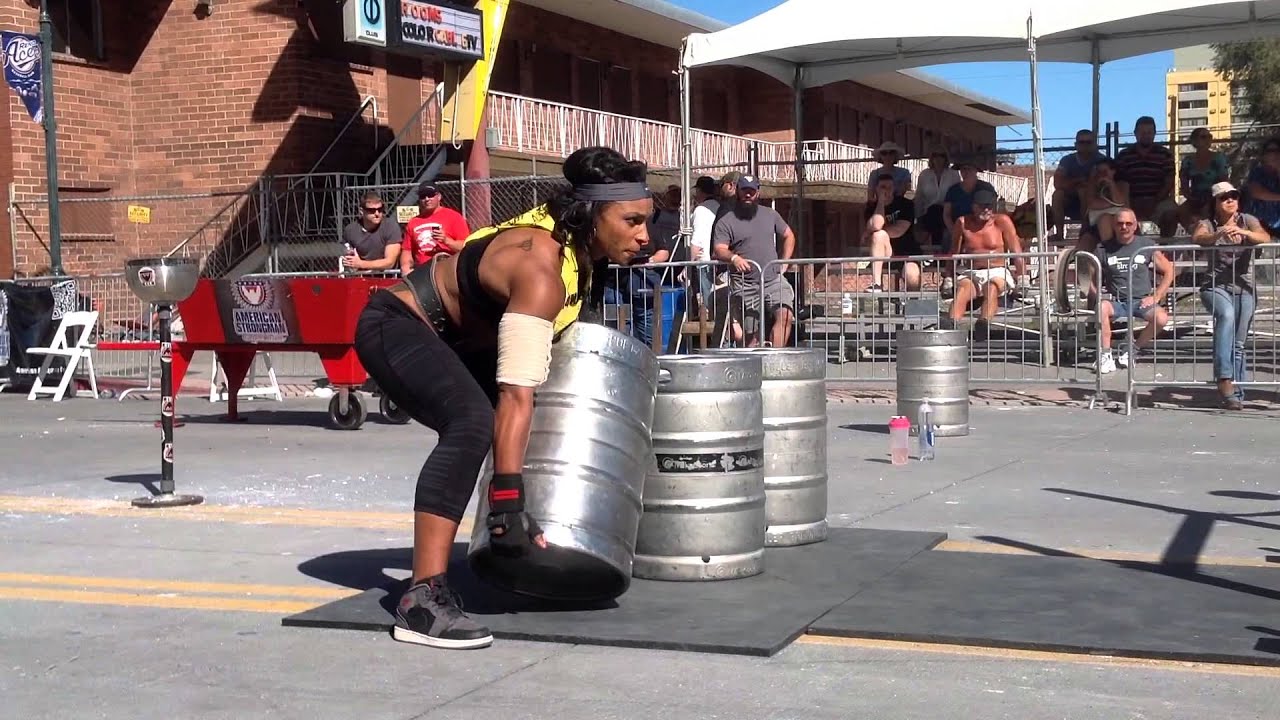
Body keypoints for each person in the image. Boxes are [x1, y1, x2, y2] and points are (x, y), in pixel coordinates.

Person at [353, 146, 652, 650]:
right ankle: (420, 601)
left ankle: (510, 531)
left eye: (649, 221)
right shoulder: (540, 270)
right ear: (591, 215)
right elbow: (515, 394)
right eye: (632, 220)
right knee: (472, 422)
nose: (645, 235)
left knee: (523, 420)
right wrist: (508, 499)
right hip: (397, 324)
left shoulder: (579, 251)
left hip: (456, 338)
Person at [1191, 182, 1272, 410]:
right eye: (1224, 197)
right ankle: (1224, 378)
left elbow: (1264, 237)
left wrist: (1243, 232)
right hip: (1214, 285)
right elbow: (1197, 237)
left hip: (1244, 287)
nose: (1230, 200)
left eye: (1234, 196)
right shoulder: (1207, 223)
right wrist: (1219, 234)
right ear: (1215, 202)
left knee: (1239, 343)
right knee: (1225, 315)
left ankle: (1236, 392)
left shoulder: (1247, 220)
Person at [713, 174, 797, 347]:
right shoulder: (726, 221)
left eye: (752, 191)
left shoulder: (770, 214)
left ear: (758, 192)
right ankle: (754, 367)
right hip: (745, 284)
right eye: (745, 191)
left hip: (773, 280)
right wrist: (734, 258)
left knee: (785, 315)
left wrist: (784, 262)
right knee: (752, 338)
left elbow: (789, 235)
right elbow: (719, 249)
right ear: (737, 191)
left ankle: (774, 361)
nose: (748, 195)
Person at [1092, 208, 1173, 374]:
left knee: (1162, 318)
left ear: (1135, 225)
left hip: (1141, 300)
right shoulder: (1102, 248)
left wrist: (1156, 296)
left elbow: (1169, 270)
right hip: (1116, 300)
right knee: (1101, 308)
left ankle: (1132, 350)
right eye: (1120, 223)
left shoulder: (1146, 245)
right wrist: (1097, 294)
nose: (1124, 227)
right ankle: (1105, 356)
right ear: (1114, 226)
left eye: (1128, 223)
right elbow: (1089, 277)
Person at [945, 188, 1027, 329]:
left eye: (989, 206)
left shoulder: (1002, 221)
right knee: (962, 290)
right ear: (974, 206)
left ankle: (983, 324)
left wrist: (1022, 277)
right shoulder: (963, 223)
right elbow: (954, 252)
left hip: (997, 271)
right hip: (972, 271)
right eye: (982, 206)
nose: (987, 210)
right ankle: (950, 326)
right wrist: (948, 278)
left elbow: (1016, 251)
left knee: (991, 287)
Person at [863, 173, 920, 292]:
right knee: (879, 235)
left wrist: (869, 232)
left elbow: (898, 230)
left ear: (894, 189)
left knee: (912, 276)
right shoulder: (871, 207)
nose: (886, 190)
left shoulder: (906, 204)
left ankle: (912, 304)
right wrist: (881, 203)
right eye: (882, 187)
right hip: (883, 253)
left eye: (889, 187)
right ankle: (877, 284)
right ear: (876, 189)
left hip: (906, 252)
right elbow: (876, 225)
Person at [400, 182, 471, 275]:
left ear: (439, 196)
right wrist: (405, 268)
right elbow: (407, 250)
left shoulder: (454, 217)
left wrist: (446, 241)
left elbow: (466, 247)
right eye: (423, 196)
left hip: (447, 272)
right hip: (423, 273)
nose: (427, 199)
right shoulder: (413, 222)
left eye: (430, 195)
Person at [342, 192, 403, 271]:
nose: (377, 213)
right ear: (361, 211)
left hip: (386, 277)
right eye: (371, 210)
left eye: (380, 209)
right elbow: (348, 257)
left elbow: (389, 263)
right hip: (361, 276)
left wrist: (361, 264)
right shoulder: (350, 230)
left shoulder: (390, 226)